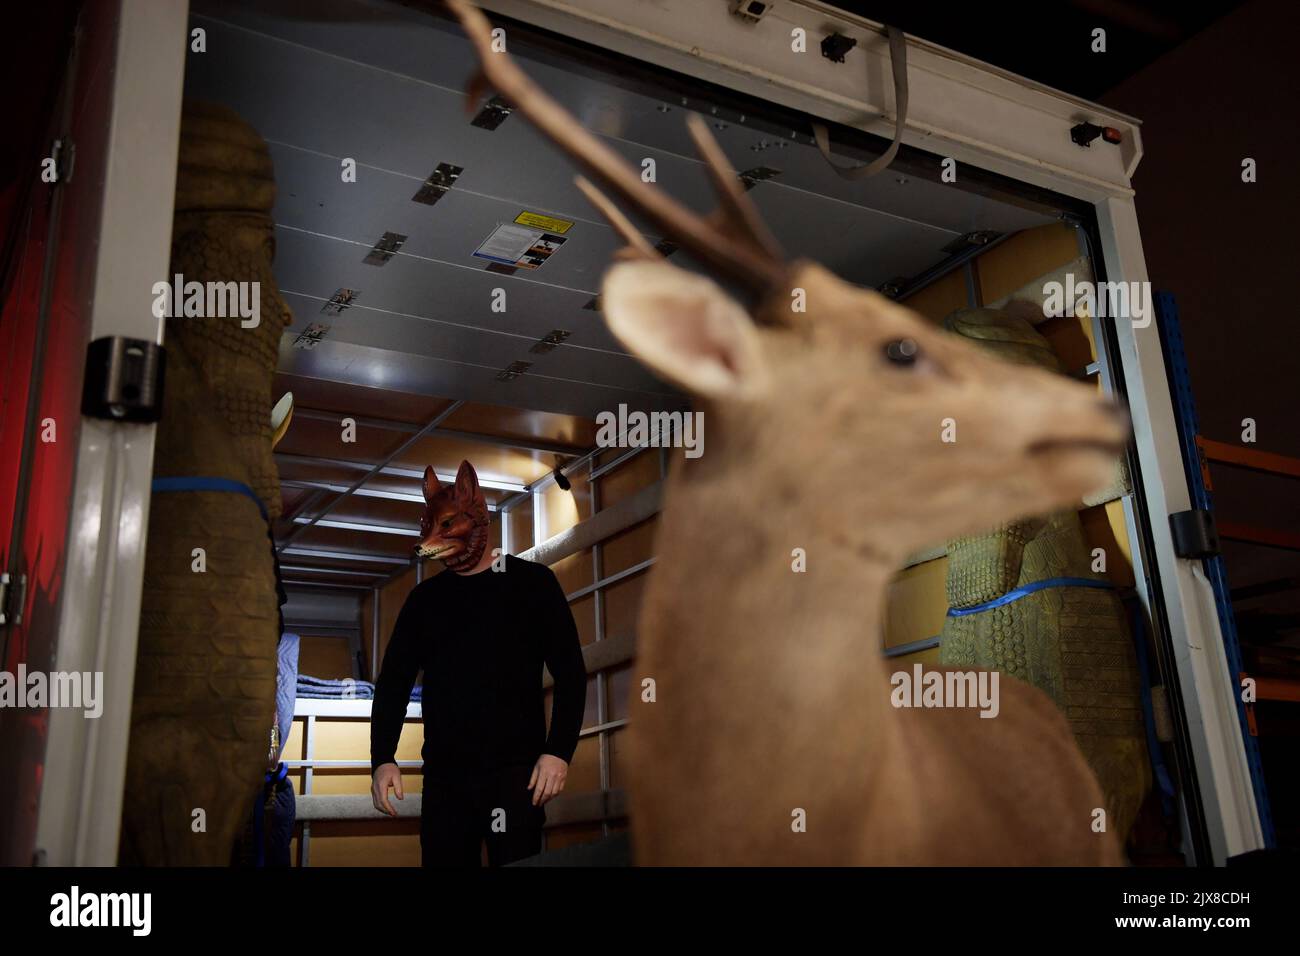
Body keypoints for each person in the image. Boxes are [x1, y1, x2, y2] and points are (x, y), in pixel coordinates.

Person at [370, 460, 587, 866]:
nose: (432, 541)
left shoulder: (533, 584)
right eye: (428, 528)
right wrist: (382, 757)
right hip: (445, 781)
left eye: (447, 525)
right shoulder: (424, 602)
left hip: (516, 776)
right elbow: (393, 683)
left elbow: (571, 673)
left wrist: (559, 751)